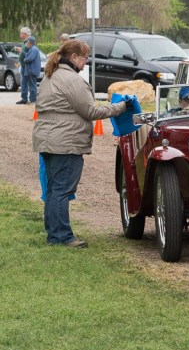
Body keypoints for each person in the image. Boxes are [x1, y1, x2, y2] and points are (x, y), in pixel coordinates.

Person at [32, 40, 133, 248]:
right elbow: (91, 111)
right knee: (62, 190)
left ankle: (54, 235)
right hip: (65, 141)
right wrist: (120, 107)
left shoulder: (51, 75)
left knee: (53, 189)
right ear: (75, 57)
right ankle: (62, 237)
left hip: (48, 139)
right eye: (85, 57)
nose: (86, 62)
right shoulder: (71, 80)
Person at [16, 26, 35, 104]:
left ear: (25, 34)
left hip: (28, 66)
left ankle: (33, 99)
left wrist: (21, 51)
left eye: (21, 33)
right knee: (23, 83)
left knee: (31, 83)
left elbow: (29, 54)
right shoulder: (25, 42)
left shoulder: (30, 42)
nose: (20, 35)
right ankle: (24, 99)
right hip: (23, 66)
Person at [21, 35, 41, 104]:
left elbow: (30, 58)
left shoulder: (34, 49)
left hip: (32, 71)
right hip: (31, 70)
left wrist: (24, 60)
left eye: (27, 42)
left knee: (32, 86)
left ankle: (33, 100)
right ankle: (32, 99)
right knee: (32, 85)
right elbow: (28, 55)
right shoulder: (32, 49)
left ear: (30, 43)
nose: (26, 44)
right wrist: (22, 52)